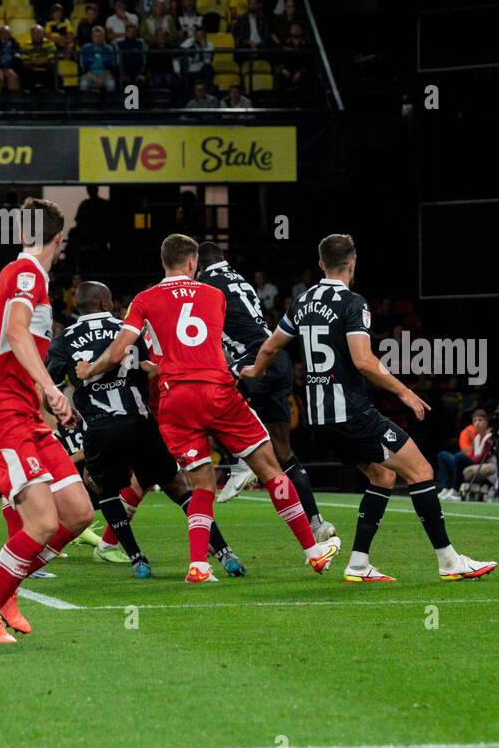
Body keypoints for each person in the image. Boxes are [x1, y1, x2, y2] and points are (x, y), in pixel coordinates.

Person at [76, 234, 341, 584]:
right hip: (217, 390)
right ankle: (313, 552)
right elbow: (203, 341)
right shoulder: (214, 295)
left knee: (201, 485)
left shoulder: (143, 299)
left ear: (163, 263)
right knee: (270, 469)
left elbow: (115, 353)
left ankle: (199, 564)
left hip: (175, 399)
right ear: (192, 264)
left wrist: (89, 370)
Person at [241, 233, 498, 583]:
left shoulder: (302, 302)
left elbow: (270, 348)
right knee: (421, 470)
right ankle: (450, 561)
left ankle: (359, 564)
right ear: (352, 263)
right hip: (352, 414)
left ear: (320, 264)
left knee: (383, 474)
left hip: (320, 420)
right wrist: (405, 392)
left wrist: (253, 371)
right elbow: (363, 361)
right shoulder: (353, 302)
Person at [0, 198, 95, 643]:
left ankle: (0, 587)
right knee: (42, 523)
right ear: (60, 238)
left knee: (77, 513)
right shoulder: (26, 274)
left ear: (21, 233)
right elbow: (15, 334)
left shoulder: (11, 278)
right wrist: (53, 390)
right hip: (3, 417)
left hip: (22, 415)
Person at [46, 279, 244, 578]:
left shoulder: (64, 339)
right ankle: (225, 553)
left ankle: (138, 559)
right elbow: (157, 366)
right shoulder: (130, 329)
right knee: (179, 488)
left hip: (100, 428)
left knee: (107, 490)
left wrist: (66, 412)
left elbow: (50, 393)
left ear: (78, 305)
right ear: (105, 304)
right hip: (140, 423)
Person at [195, 240, 334, 542]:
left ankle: (242, 460)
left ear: (196, 264)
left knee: (205, 404)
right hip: (278, 358)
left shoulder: (204, 285)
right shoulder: (238, 278)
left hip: (253, 360)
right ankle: (316, 521)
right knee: (282, 449)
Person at [436, 409, 492, 500]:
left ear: (486, 422)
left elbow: (481, 457)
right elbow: (473, 454)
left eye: (480, 420)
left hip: (479, 463)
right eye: (475, 420)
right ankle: (447, 488)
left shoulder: (489, 436)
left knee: (459, 456)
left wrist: (469, 455)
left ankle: (455, 490)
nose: (477, 423)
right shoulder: (477, 437)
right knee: (442, 455)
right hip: (471, 460)